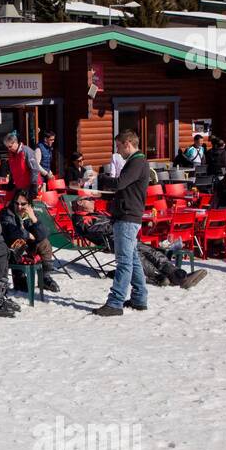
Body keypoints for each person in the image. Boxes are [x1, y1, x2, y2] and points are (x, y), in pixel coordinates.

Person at [74, 197, 206, 289]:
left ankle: (178, 274)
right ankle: (159, 277)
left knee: (152, 252)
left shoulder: (98, 213)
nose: (93, 201)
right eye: (89, 199)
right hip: (114, 241)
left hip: (125, 236)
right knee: (138, 256)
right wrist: (118, 223)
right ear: (80, 202)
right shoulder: (80, 218)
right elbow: (94, 230)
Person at [93, 130, 150, 316]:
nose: (117, 151)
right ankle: (139, 297)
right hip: (128, 214)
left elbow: (119, 183)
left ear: (127, 143)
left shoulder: (137, 161)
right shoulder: (136, 162)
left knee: (124, 262)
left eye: (118, 146)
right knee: (132, 259)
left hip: (127, 216)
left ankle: (115, 302)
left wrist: (101, 179)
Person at [2, 191, 60, 292]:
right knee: (20, 241)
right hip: (11, 249)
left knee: (44, 242)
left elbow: (43, 234)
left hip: (27, 248)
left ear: (29, 204)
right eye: (16, 203)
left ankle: (45, 278)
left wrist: (33, 218)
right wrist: (28, 234)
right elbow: (11, 232)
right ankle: (19, 276)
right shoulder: (7, 213)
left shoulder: (31, 214)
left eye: (23, 204)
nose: (19, 207)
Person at [0, 131, 41, 198]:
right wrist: (11, 181)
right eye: (7, 147)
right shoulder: (12, 154)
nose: (9, 149)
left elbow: (34, 169)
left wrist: (33, 185)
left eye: (10, 146)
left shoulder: (26, 151)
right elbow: (13, 169)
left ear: (15, 143)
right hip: (20, 186)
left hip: (31, 186)